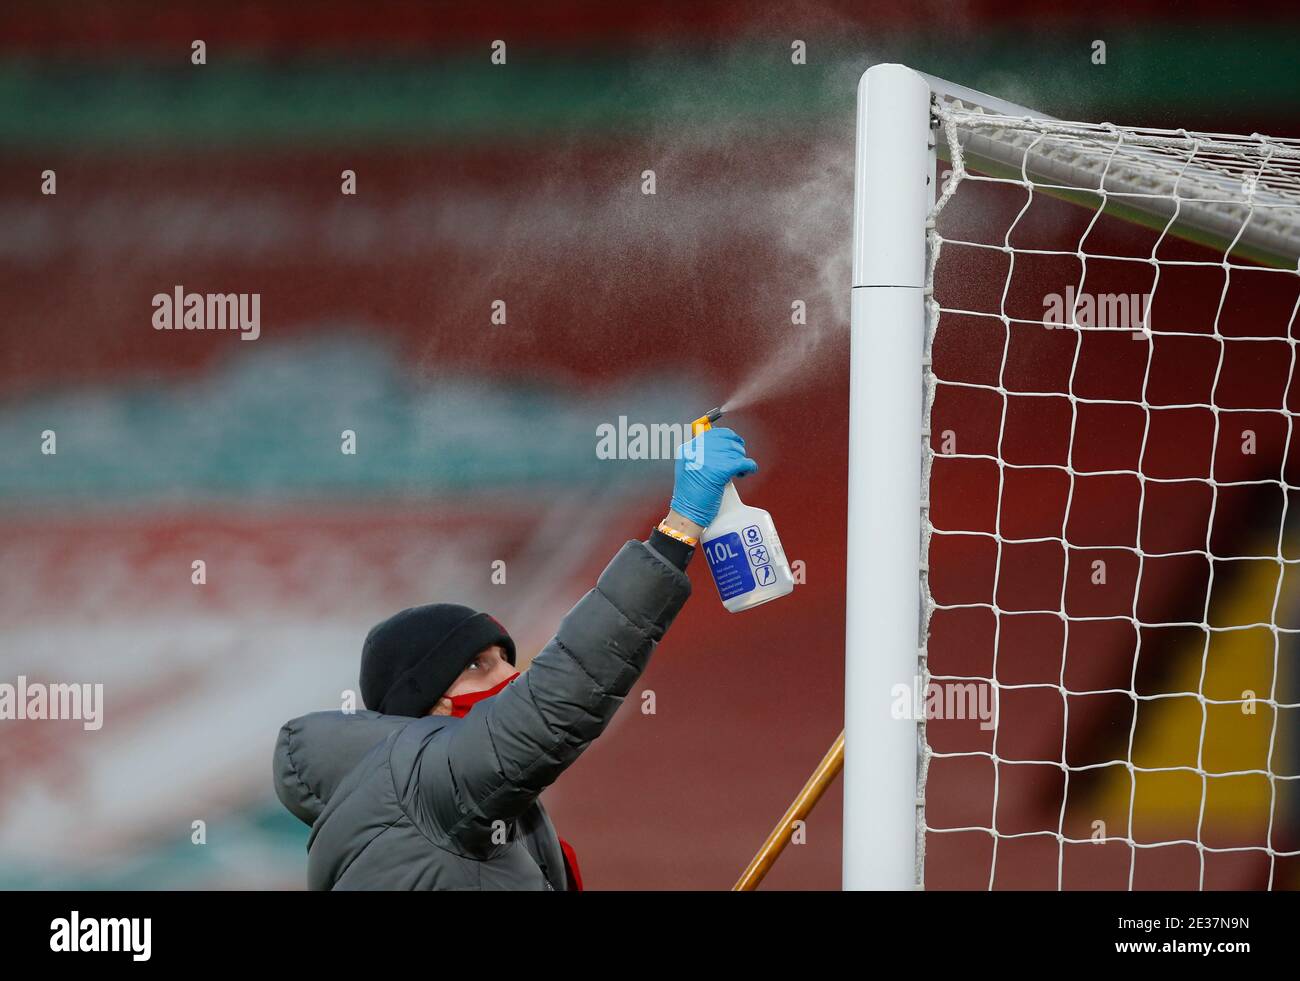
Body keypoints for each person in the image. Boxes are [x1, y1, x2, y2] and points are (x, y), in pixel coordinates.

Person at [272, 425, 758, 889]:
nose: (511, 675)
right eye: (477, 666)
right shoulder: (418, 781)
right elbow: (557, 696)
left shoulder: (443, 799)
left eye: (506, 658)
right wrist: (677, 531)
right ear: (425, 704)